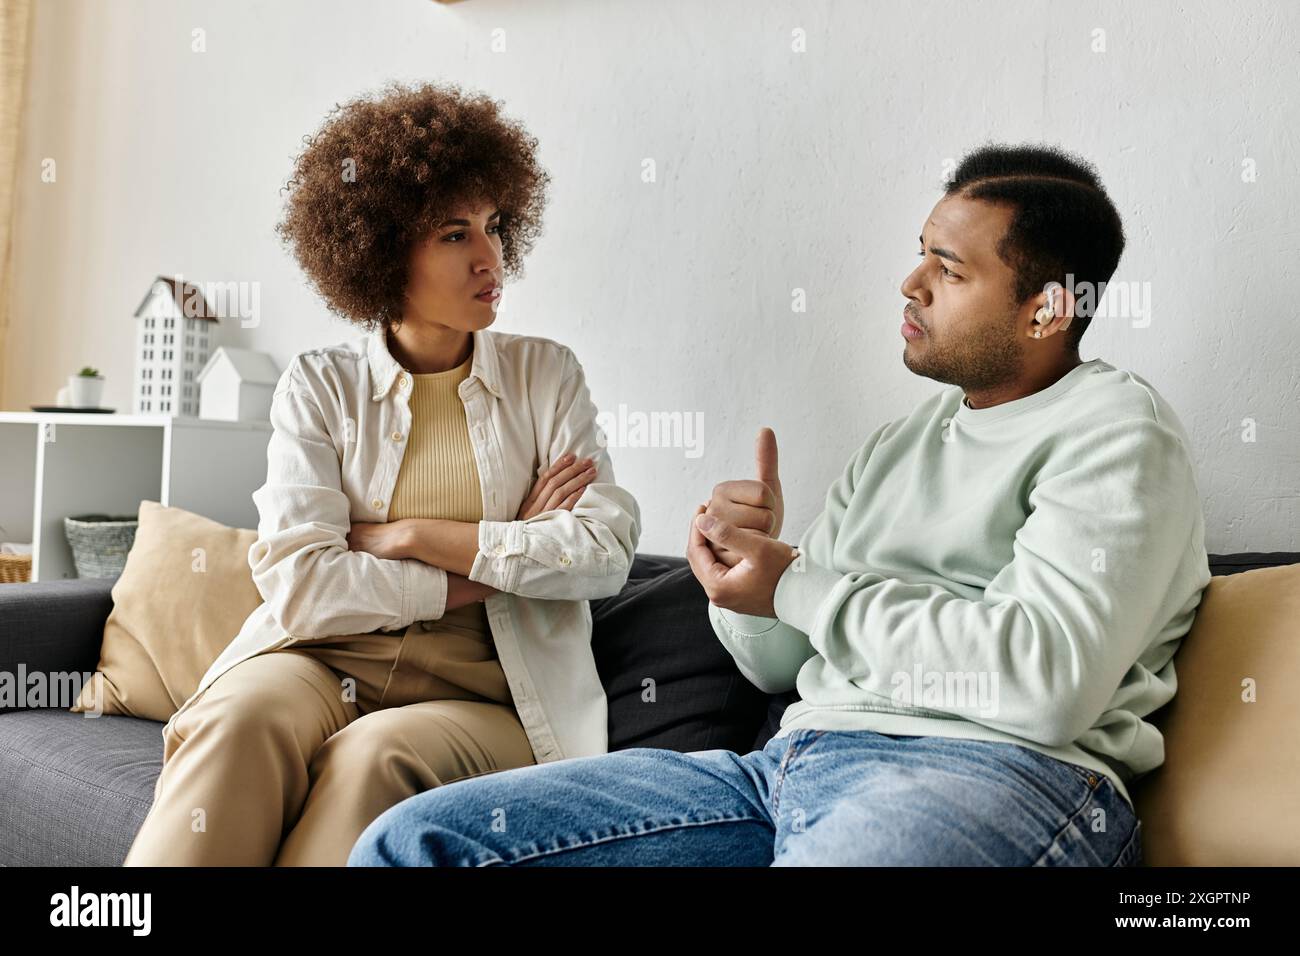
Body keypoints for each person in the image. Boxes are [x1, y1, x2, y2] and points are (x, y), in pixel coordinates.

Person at [347, 143, 1210, 867]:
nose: (910, 283)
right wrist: (744, 587)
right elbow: (781, 665)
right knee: (416, 842)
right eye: (921, 252)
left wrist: (800, 583)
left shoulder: (1116, 432)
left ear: (1047, 310)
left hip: (1005, 776)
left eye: (948, 269)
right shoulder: (899, 444)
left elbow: (1046, 681)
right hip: (787, 764)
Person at [123, 80, 640, 866]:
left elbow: (602, 552)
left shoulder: (547, 377)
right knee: (237, 721)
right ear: (379, 247)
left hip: (484, 692)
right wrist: (503, 558)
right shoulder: (319, 385)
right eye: (453, 234)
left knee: (372, 759)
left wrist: (407, 535)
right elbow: (302, 584)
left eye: (495, 227)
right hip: (323, 657)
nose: (490, 257)